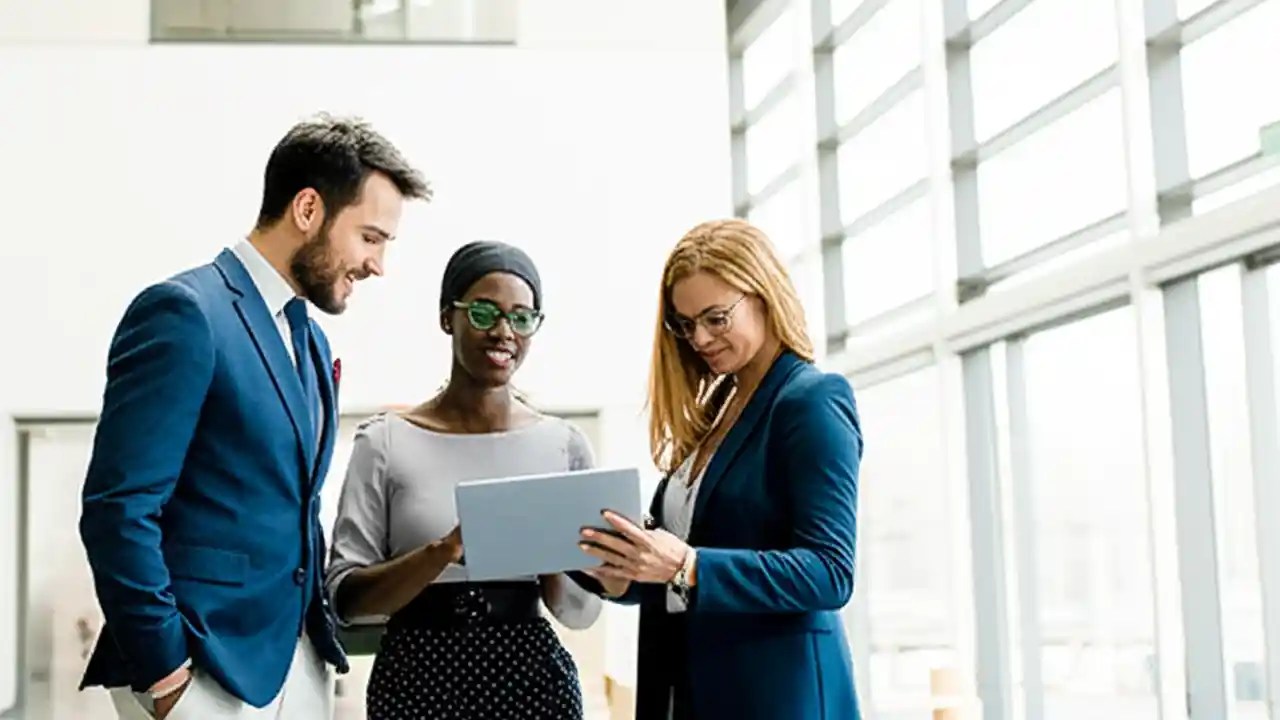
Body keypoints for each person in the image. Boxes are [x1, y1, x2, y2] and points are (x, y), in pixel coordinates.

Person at [78, 114, 432, 720]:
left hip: (295, 666)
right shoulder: (185, 313)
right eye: (370, 238)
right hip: (202, 669)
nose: (379, 265)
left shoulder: (311, 341)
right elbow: (118, 509)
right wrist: (166, 677)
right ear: (307, 209)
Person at [575, 218, 864, 720]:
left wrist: (688, 565)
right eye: (685, 325)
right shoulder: (717, 412)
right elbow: (683, 574)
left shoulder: (811, 401)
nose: (700, 339)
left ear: (764, 295)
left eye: (716, 318)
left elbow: (830, 572)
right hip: (693, 690)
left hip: (777, 696)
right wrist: (621, 574)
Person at [325, 240, 603, 720]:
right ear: (446, 317)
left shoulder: (563, 444)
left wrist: (552, 549)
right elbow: (346, 600)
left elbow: (580, 613)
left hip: (532, 681)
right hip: (416, 678)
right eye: (482, 313)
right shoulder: (385, 441)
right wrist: (444, 550)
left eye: (521, 317)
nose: (503, 332)